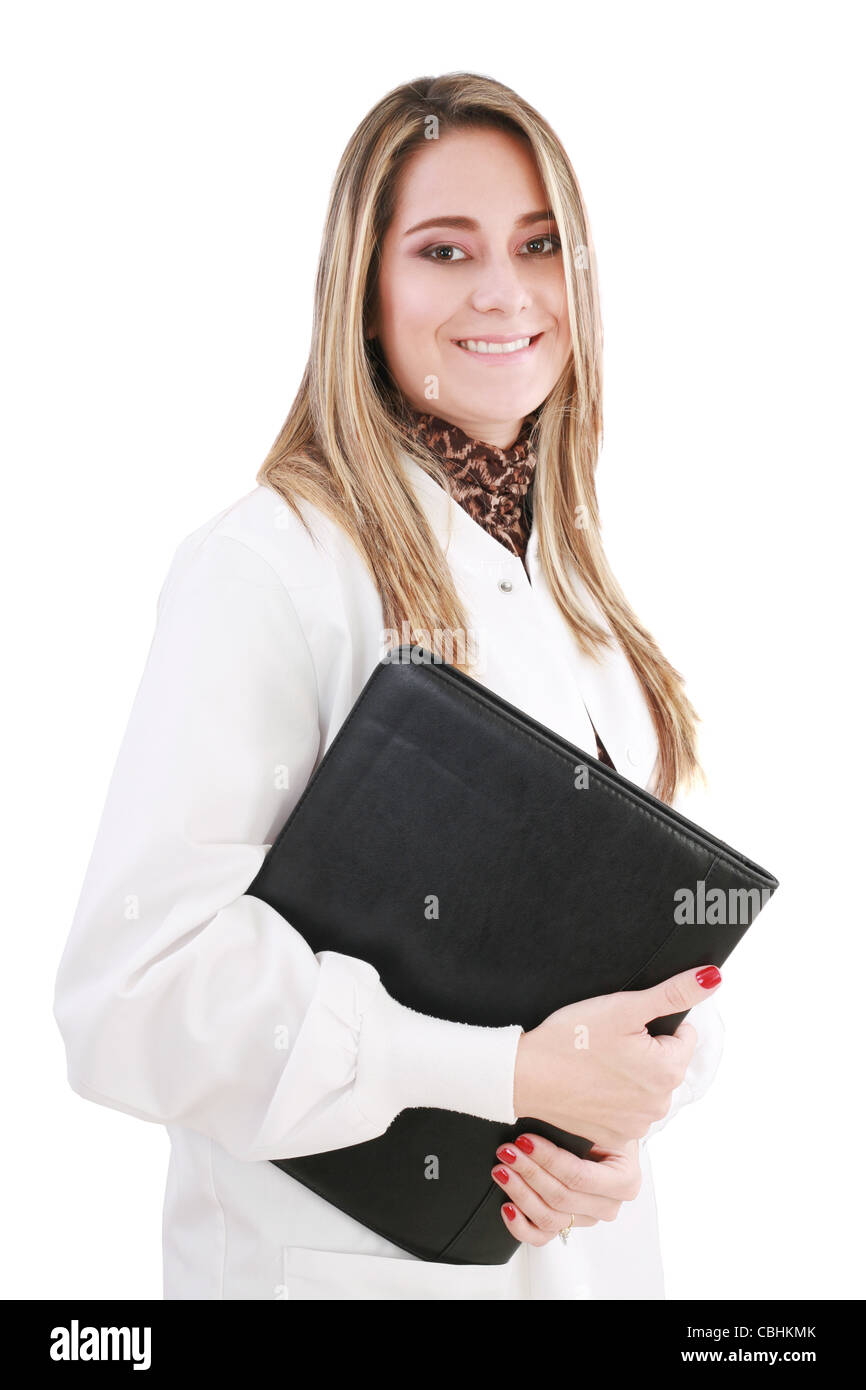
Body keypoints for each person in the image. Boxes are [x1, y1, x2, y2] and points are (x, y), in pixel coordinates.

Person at [53, 72, 725, 1301]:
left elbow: (646, 983)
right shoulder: (267, 568)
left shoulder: (579, 600)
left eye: (537, 245)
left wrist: (617, 1125)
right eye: (442, 249)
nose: (501, 292)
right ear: (362, 292)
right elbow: (130, 998)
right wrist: (507, 1074)